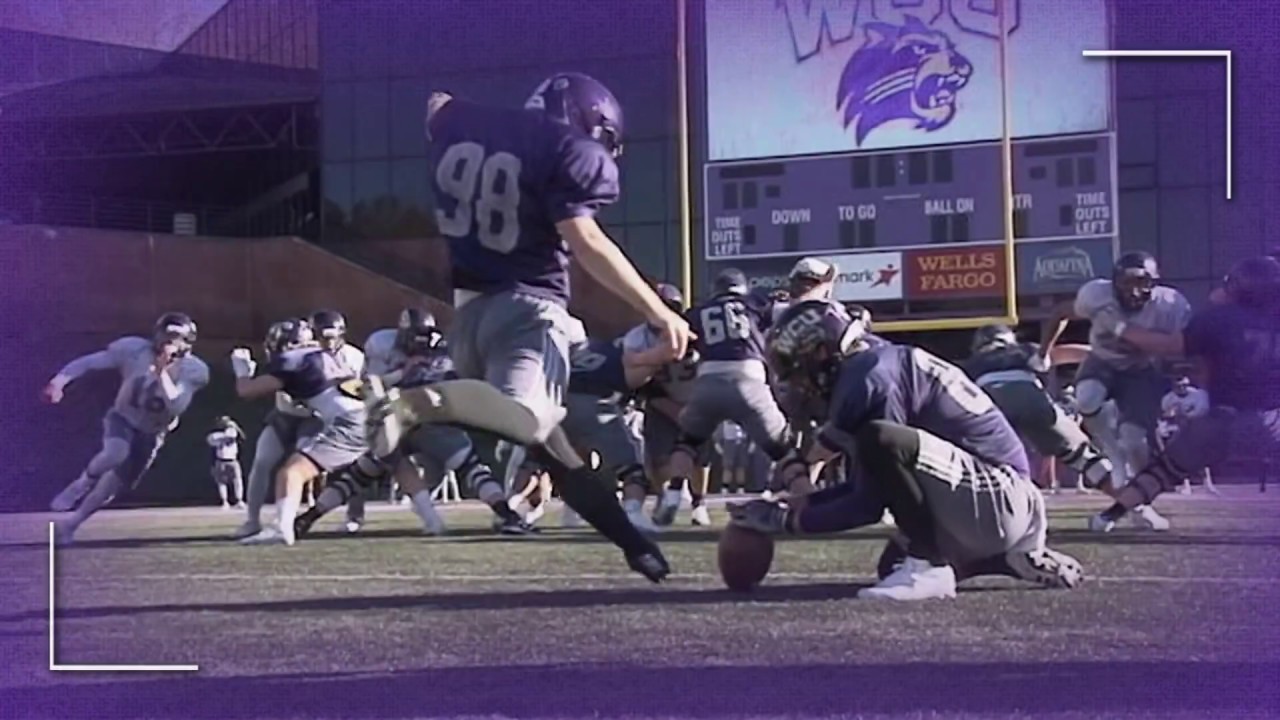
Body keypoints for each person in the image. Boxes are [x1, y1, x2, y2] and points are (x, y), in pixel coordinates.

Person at [374, 73, 692, 582]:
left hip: (471, 321)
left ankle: (633, 543)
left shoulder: (467, 124)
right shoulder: (568, 151)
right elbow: (586, 242)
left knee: (560, 454)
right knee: (527, 420)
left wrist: (463, 114)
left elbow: (436, 104)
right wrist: (658, 311)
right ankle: (416, 400)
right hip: (529, 311)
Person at [731, 300, 1082, 601]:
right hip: (990, 499)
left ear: (821, 353)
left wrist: (786, 520)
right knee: (892, 567)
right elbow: (865, 487)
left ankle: (930, 565)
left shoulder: (868, 377)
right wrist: (795, 504)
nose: (796, 384)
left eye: (795, 370)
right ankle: (1005, 558)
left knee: (879, 439)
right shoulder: (873, 362)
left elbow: (867, 504)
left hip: (997, 494)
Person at [1091, 256, 1280, 529]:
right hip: (1273, 419)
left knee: (1163, 470)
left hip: (1225, 418)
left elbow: (1169, 345)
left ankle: (1108, 516)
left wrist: (1120, 328)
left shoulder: (1220, 318)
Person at [1043, 251, 1191, 530]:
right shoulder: (1096, 295)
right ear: (1113, 282)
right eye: (1127, 282)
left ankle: (1138, 495)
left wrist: (1181, 378)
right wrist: (1043, 352)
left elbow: (1183, 345)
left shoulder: (1171, 305)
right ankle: (1113, 454)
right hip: (1102, 363)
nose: (1134, 290)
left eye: (1142, 282)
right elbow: (1061, 311)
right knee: (1085, 397)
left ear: (1155, 283)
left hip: (1142, 372)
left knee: (1134, 440)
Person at [44, 312, 210, 545]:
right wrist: (59, 381)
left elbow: (175, 405)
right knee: (116, 453)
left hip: (153, 432)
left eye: (175, 336)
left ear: (189, 341)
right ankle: (82, 483)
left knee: (110, 488)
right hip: (122, 417)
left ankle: (71, 525)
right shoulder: (135, 351)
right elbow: (90, 362)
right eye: (165, 334)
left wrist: (162, 372)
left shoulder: (194, 369)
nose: (168, 341)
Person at [652, 268, 795, 527]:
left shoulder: (698, 312)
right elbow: (790, 316)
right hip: (748, 379)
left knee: (686, 443)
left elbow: (680, 345)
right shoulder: (756, 303)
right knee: (783, 448)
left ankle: (673, 494)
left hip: (708, 382)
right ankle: (804, 493)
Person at [232, 321, 368, 546]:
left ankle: (281, 529)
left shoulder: (291, 360)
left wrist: (242, 371)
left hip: (350, 422)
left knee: (291, 473)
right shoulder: (326, 354)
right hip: (368, 416)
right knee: (380, 469)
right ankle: (431, 520)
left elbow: (246, 391)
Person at [962, 324, 1112, 491]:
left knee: (988, 457)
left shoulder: (970, 365)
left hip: (993, 404)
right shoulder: (1023, 351)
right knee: (1083, 455)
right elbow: (1064, 353)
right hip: (1030, 398)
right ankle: (1128, 498)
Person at [1158, 376, 1217, 495]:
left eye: (1184, 386)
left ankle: (1208, 483)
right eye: (1178, 387)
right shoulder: (1168, 398)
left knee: (1201, 455)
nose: (1181, 389)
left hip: (1196, 428)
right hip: (1177, 430)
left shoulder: (1199, 395)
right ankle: (1186, 484)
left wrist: (1183, 414)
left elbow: (1201, 413)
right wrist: (1170, 416)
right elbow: (1165, 417)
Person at [207, 416, 246, 509]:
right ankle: (225, 501)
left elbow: (242, 438)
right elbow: (212, 447)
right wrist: (213, 464)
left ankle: (239, 500)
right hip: (221, 460)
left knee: (237, 480)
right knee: (221, 482)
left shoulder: (232, 431)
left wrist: (236, 427)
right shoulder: (214, 435)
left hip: (232, 459)